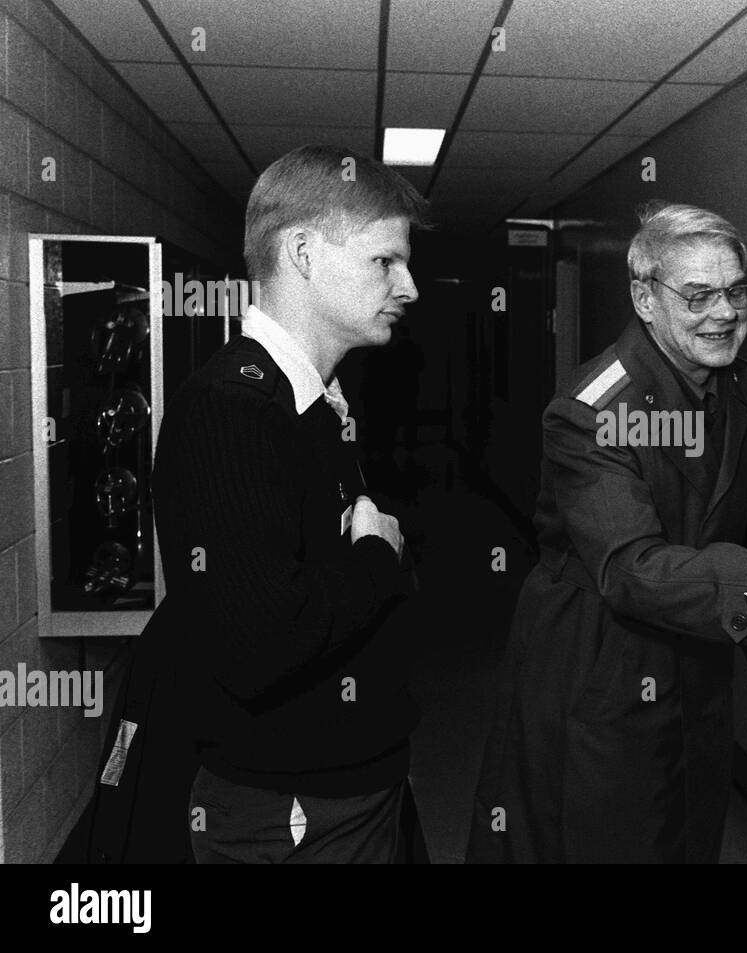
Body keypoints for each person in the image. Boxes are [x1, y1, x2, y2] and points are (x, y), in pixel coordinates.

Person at [466, 202, 747, 863]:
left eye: (735, 292)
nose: (724, 313)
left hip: (697, 653)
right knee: (606, 839)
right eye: (698, 295)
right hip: (601, 662)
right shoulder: (593, 410)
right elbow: (632, 567)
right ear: (644, 298)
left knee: (688, 831)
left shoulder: (738, 385)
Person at [149, 144, 429, 863]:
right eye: (384, 261)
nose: (408, 287)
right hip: (293, 809)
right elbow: (260, 645)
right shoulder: (231, 412)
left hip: (349, 785)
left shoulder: (310, 402)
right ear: (303, 254)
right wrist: (377, 554)